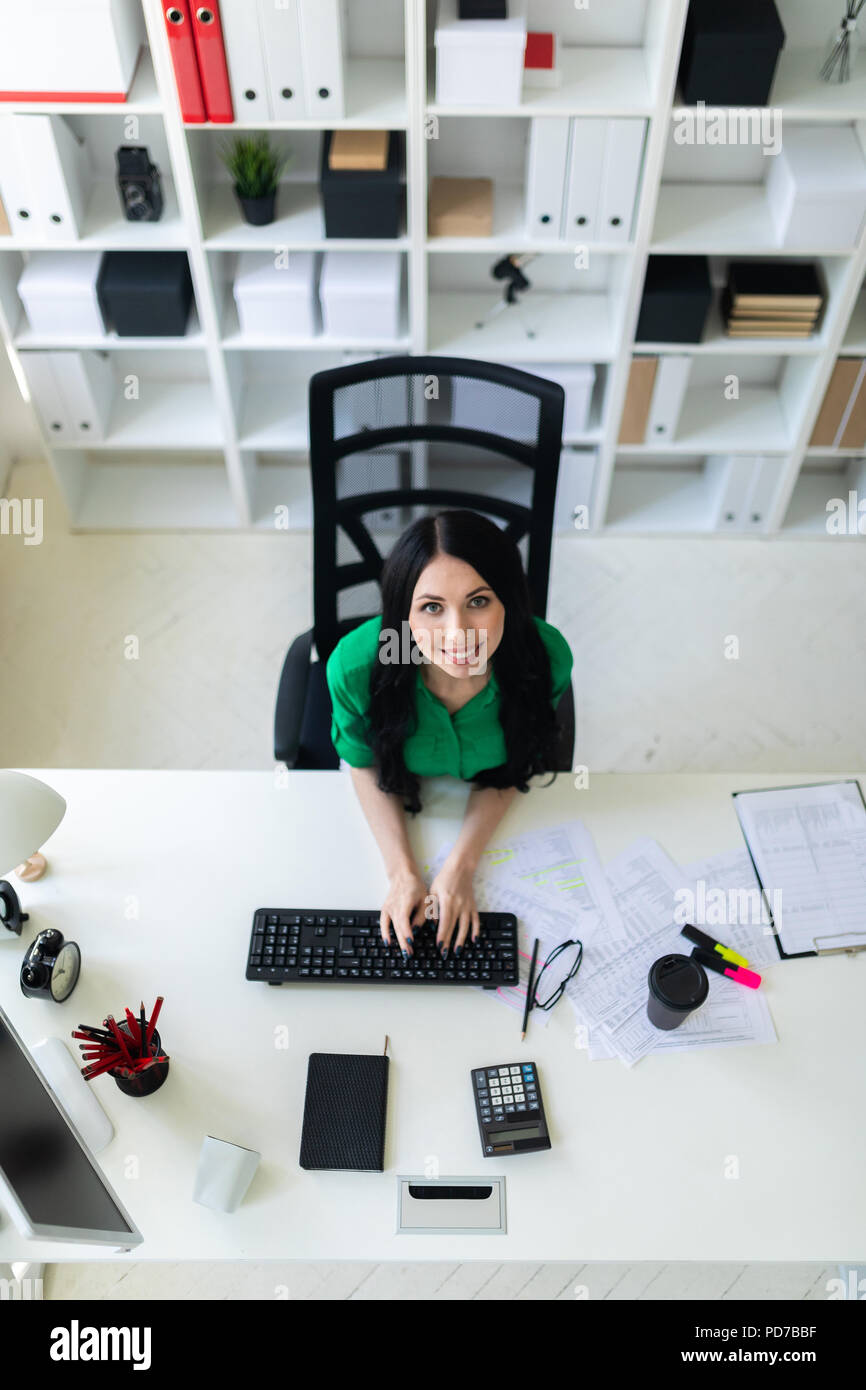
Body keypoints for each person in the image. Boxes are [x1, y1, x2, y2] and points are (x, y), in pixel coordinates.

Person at [325, 508, 573, 961]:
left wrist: (460, 867)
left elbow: (514, 764)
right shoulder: (355, 668)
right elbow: (361, 761)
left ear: (508, 602)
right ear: (404, 613)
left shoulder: (545, 657)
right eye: (432, 608)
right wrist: (403, 874)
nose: (458, 635)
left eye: (478, 601)